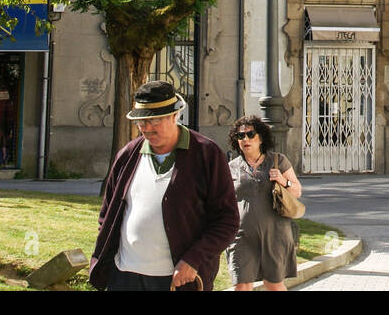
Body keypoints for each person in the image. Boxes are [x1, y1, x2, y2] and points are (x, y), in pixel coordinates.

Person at [89, 81, 238, 291]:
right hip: (125, 277)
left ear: (175, 116)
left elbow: (227, 221)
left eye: (154, 120)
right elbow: (107, 215)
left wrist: (193, 260)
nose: (146, 128)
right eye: (141, 121)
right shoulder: (127, 156)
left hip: (177, 280)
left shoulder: (206, 154)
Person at [226, 115, 302, 291]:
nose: (245, 139)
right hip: (241, 235)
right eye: (240, 136)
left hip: (275, 234)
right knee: (241, 284)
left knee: (273, 284)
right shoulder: (231, 167)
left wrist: (284, 181)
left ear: (260, 137)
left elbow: (297, 191)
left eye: (250, 134)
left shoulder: (278, 160)